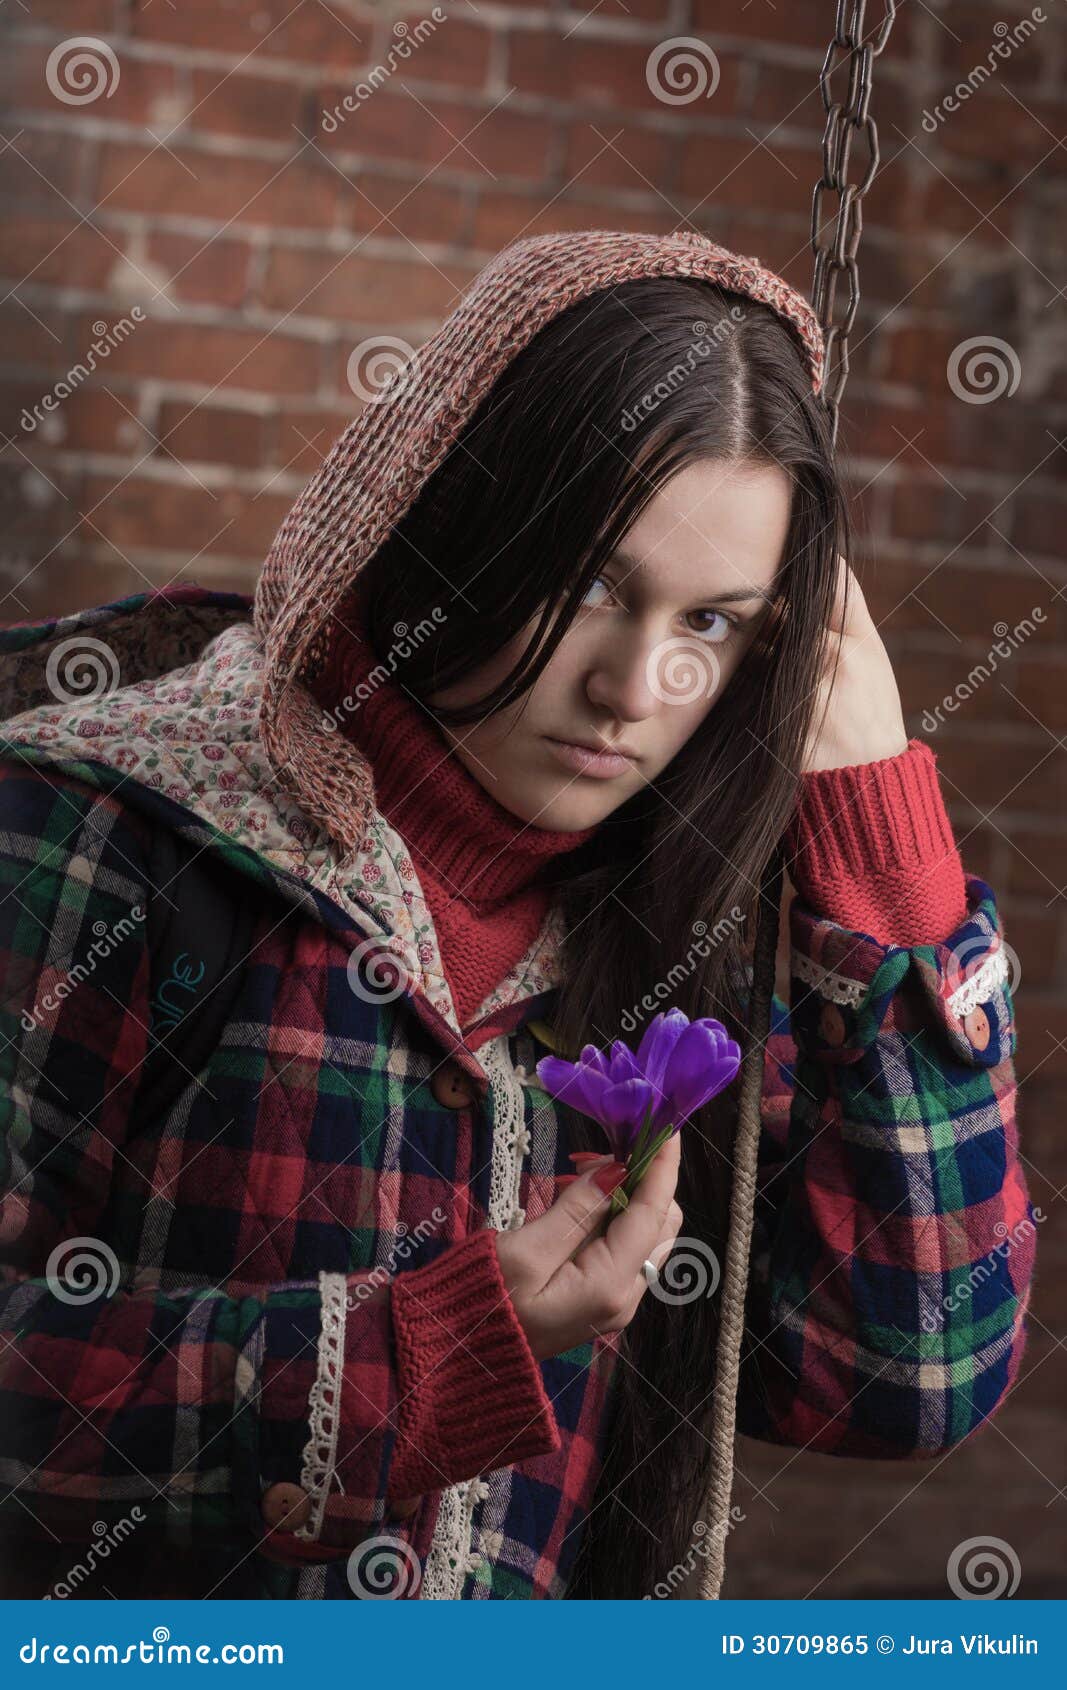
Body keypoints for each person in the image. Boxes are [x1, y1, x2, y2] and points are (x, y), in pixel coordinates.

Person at [0, 230, 1035, 1601]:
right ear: (448, 523)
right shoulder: (104, 834)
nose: (635, 685)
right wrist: (404, 1362)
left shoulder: (681, 947)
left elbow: (910, 1370)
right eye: (596, 584)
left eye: (714, 623)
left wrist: (885, 851)